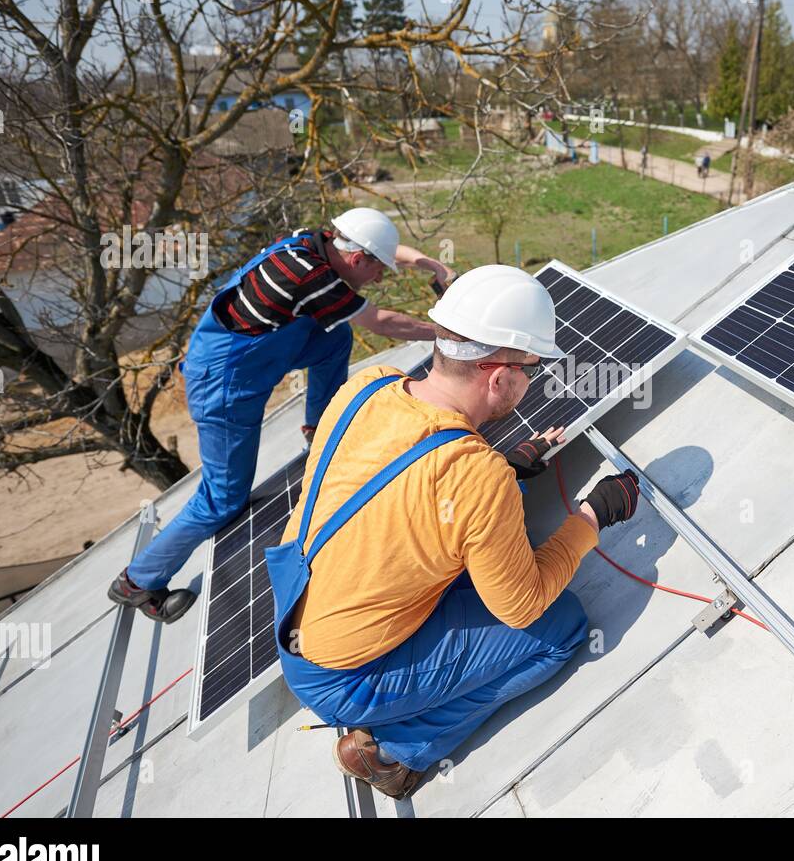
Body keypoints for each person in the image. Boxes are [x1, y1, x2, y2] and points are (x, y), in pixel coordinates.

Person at [265, 264, 641, 799]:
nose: (530, 384)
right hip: (348, 677)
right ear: (500, 377)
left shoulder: (366, 388)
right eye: (531, 370)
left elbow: (395, 496)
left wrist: (507, 469)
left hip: (301, 622)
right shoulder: (473, 474)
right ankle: (398, 752)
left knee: (476, 569)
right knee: (561, 628)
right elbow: (522, 605)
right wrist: (591, 518)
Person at [108, 208, 455, 623]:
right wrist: (448, 332)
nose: (379, 279)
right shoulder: (310, 275)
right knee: (222, 500)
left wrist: (428, 263)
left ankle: (318, 428)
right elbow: (380, 322)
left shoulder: (314, 242)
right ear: (358, 259)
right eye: (378, 271)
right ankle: (137, 581)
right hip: (224, 386)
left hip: (249, 362)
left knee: (334, 336)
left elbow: (381, 250)